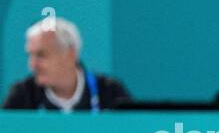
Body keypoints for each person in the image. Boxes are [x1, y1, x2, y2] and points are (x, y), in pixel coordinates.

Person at [3, 18, 131, 111]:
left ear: (70, 55)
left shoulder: (110, 91)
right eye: (30, 55)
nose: (32, 65)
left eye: (41, 55)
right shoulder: (21, 96)